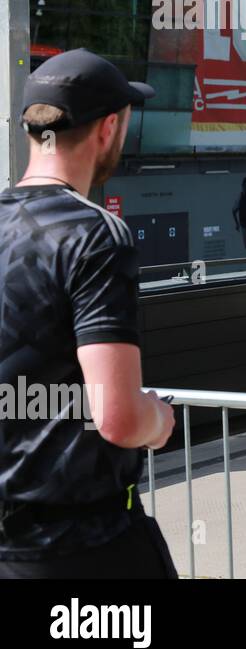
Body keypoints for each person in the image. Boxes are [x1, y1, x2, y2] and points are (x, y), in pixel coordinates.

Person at [0, 48, 177, 578]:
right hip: (86, 549)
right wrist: (157, 419)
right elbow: (118, 417)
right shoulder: (95, 236)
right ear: (107, 129)